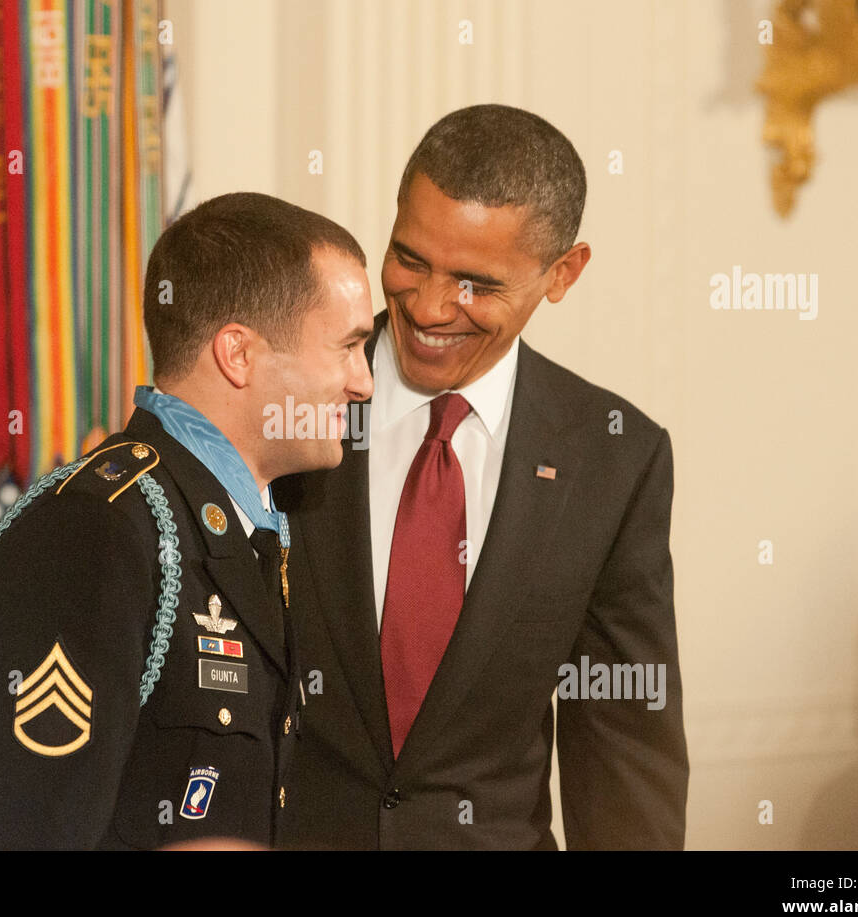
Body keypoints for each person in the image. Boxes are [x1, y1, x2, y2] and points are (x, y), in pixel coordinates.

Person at [274, 104, 689, 850]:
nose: (430, 307)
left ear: (562, 273)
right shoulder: (287, 403)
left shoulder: (615, 457)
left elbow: (624, 743)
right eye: (410, 258)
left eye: (475, 283)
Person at [0, 192, 374, 849]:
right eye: (347, 347)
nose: (362, 381)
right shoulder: (91, 530)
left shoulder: (259, 528)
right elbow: (15, 830)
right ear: (239, 354)